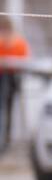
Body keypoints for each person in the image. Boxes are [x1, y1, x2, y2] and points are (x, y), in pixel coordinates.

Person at [0, 16, 31, 153]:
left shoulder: (18, 43)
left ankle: (6, 141)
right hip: (2, 78)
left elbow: (23, 60)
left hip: (13, 79)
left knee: (9, 110)